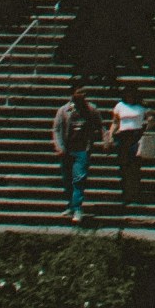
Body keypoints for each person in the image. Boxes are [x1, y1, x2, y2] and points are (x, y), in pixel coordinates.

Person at [52, 81, 102, 226]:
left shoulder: (91, 109)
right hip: (67, 150)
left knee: (78, 179)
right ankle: (71, 205)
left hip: (82, 149)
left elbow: (100, 125)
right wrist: (59, 146)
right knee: (67, 179)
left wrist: (106, 139)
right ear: (73, 93)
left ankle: (78, 209)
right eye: (80, 92)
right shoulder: (63, 110)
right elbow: (56, 129)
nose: (83, 94)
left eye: (84, 92)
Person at [109, 90, 148, 214]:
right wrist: (110, 135)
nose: (130, 97)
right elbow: (115, 122)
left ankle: (135, 193)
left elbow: (151, 120)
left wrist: (146, 129)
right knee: (124, 166)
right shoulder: (120, 106)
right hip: (123, 136)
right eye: (128, 95)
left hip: (136, 136)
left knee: (135, 166)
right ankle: (126, 193)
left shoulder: (141, 107)